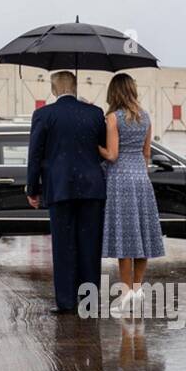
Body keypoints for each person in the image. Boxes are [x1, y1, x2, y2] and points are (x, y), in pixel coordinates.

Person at [26, 70, 107, 315]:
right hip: (92, 188)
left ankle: (66, 302)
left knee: (63, 246)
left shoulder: (43, 115)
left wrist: (33, 188)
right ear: (76, 86)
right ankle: (89, 301)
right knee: (90, 245)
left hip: (59, 187)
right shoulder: (95, 113)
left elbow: (35, 155)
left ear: (53, 90)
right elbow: (102, 147)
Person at [99, 73, 163, 316]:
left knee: (126, 238)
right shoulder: (145, 117)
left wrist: (97, 147)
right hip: (141, 178)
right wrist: (141, 173)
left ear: (113, 92)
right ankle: (137, 288)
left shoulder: (113, 118)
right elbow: (147, 153)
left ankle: (126, 293)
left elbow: (112, 154)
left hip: (120, 180)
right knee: (143, 235)